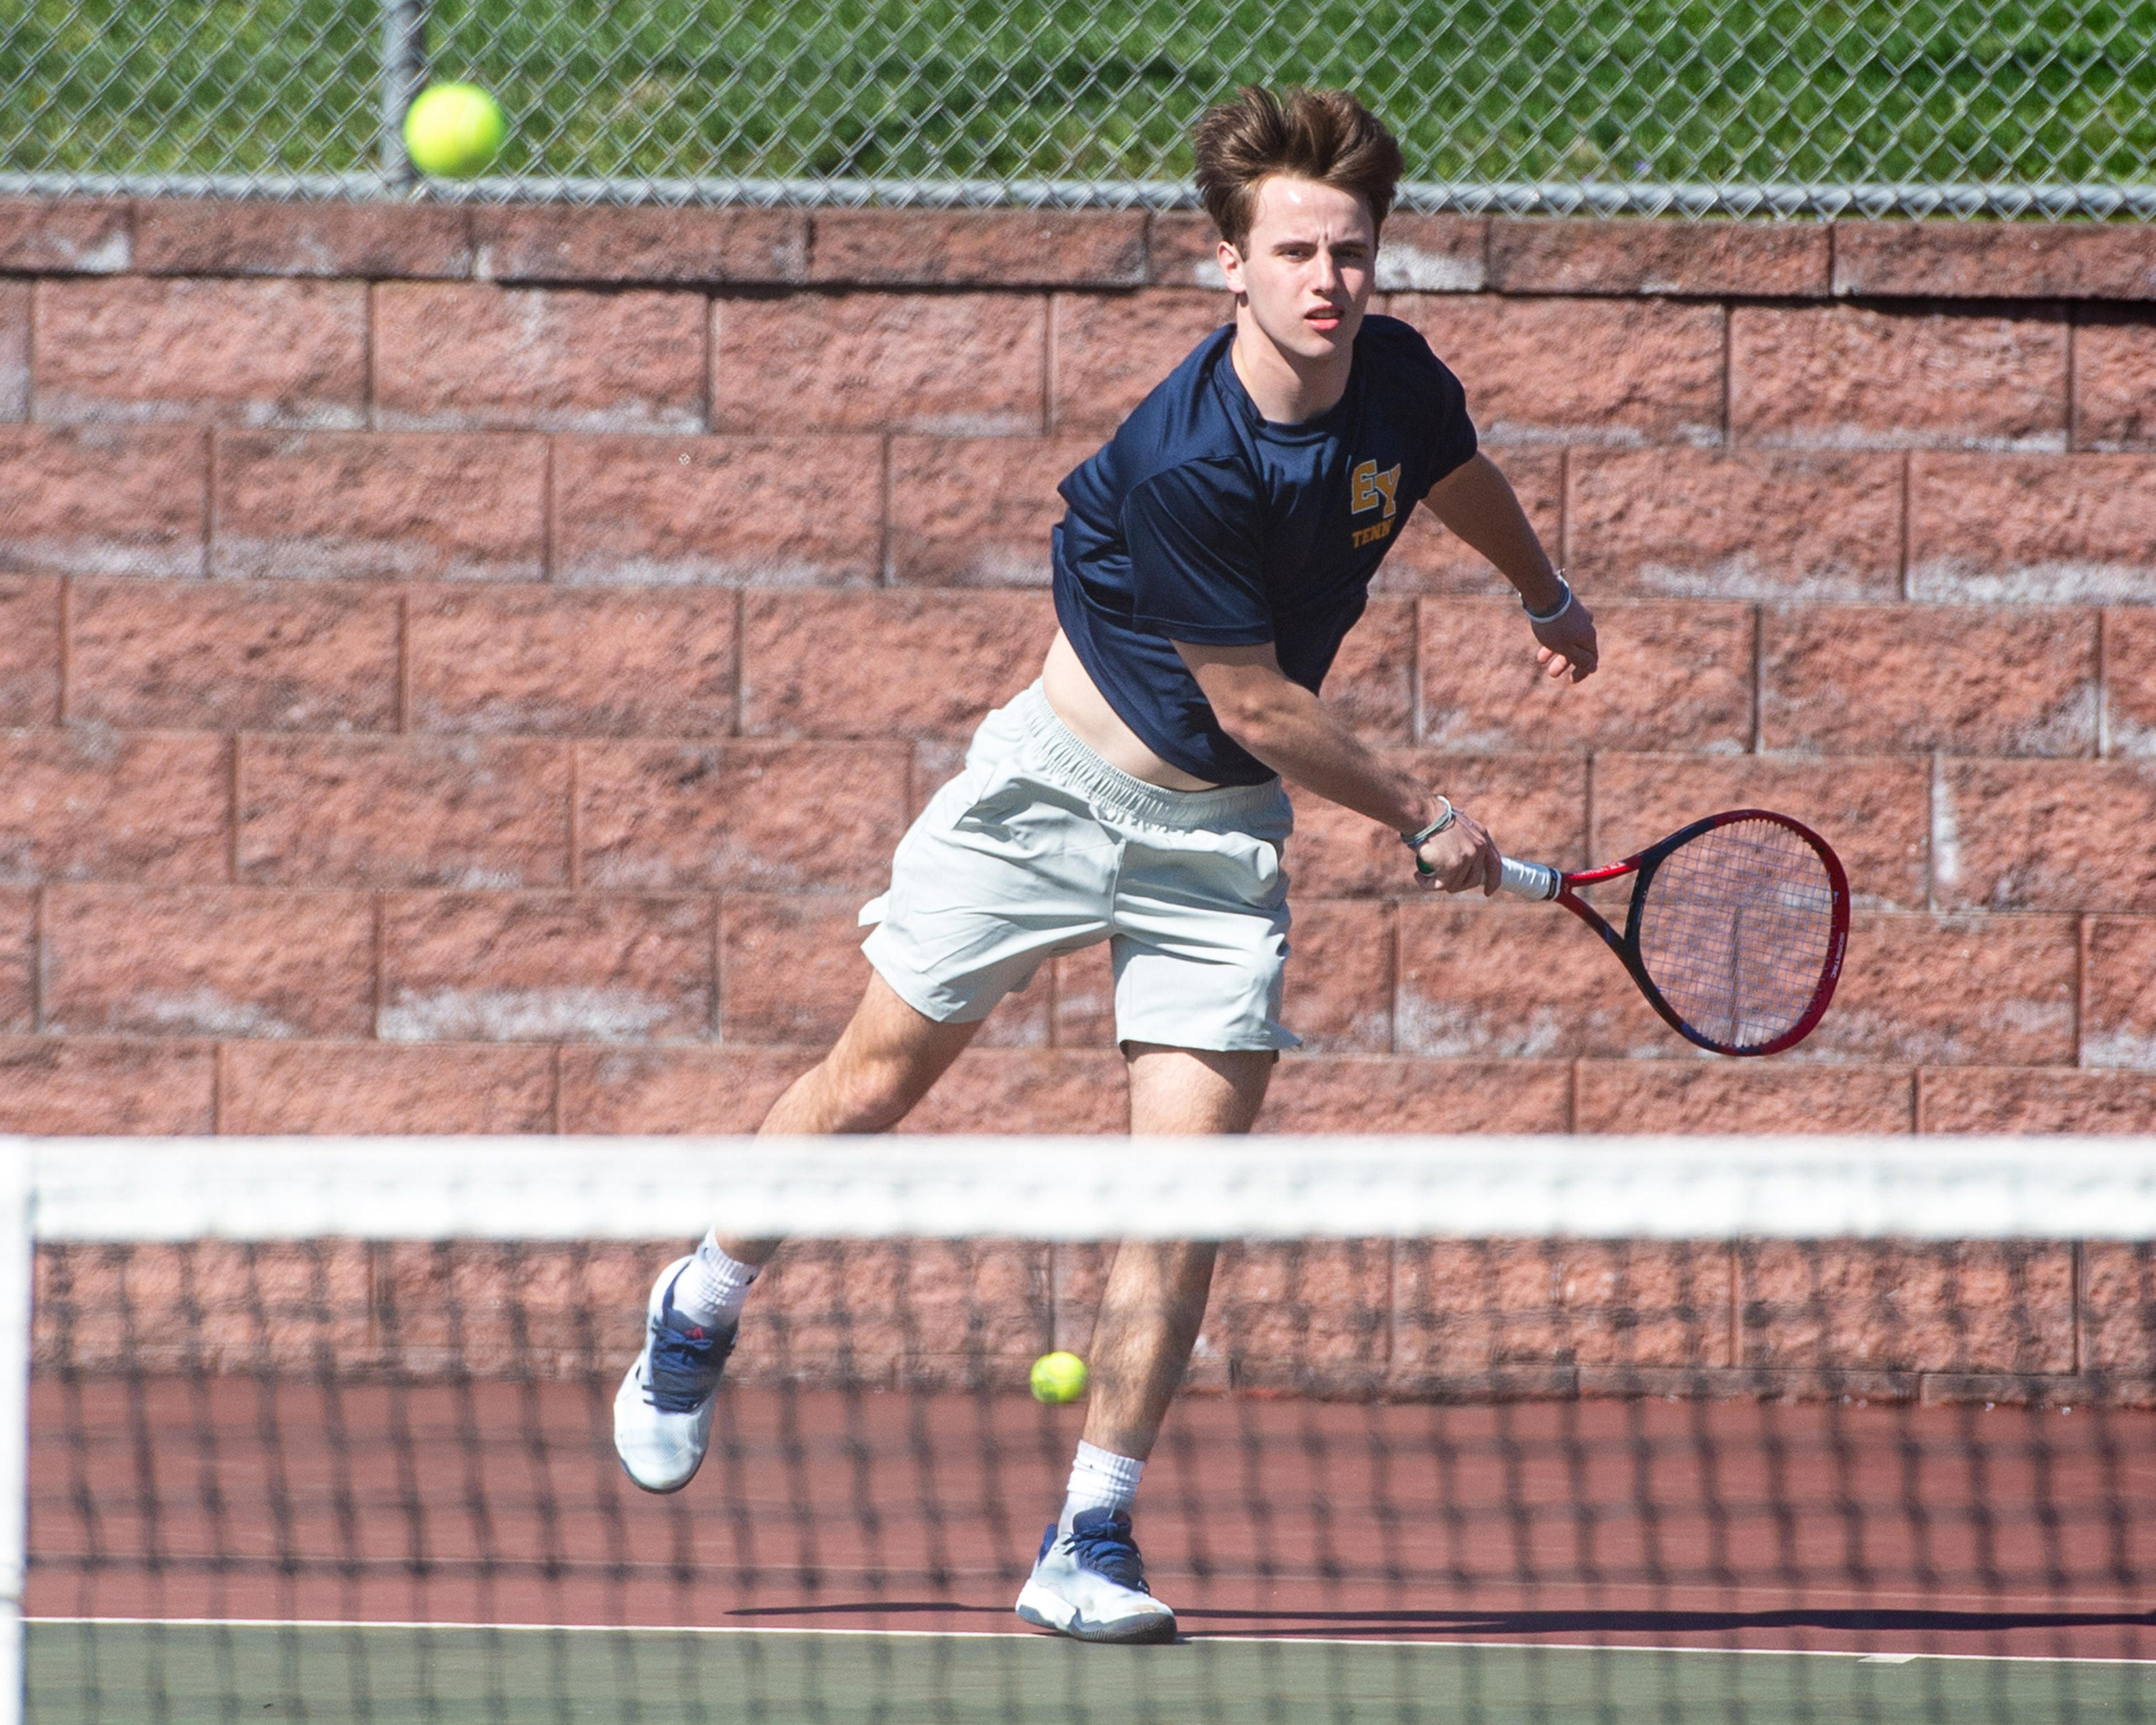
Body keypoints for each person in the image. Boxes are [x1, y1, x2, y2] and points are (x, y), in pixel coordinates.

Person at [612, 84, 1600, 1644]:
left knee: (1185, 1199)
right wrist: (1420, 816)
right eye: (1293, 252)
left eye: (1351, 250)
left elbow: (1448, 468)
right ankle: (704, 1297)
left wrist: (1542, 591)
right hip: (1053, 800)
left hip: (1217, 851)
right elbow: (1258, 702)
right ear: (1230, 265)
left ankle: (1090, 1535)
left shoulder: (1397, 378)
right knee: (875, 1080)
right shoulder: (1185, 458)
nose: (1327, 280)